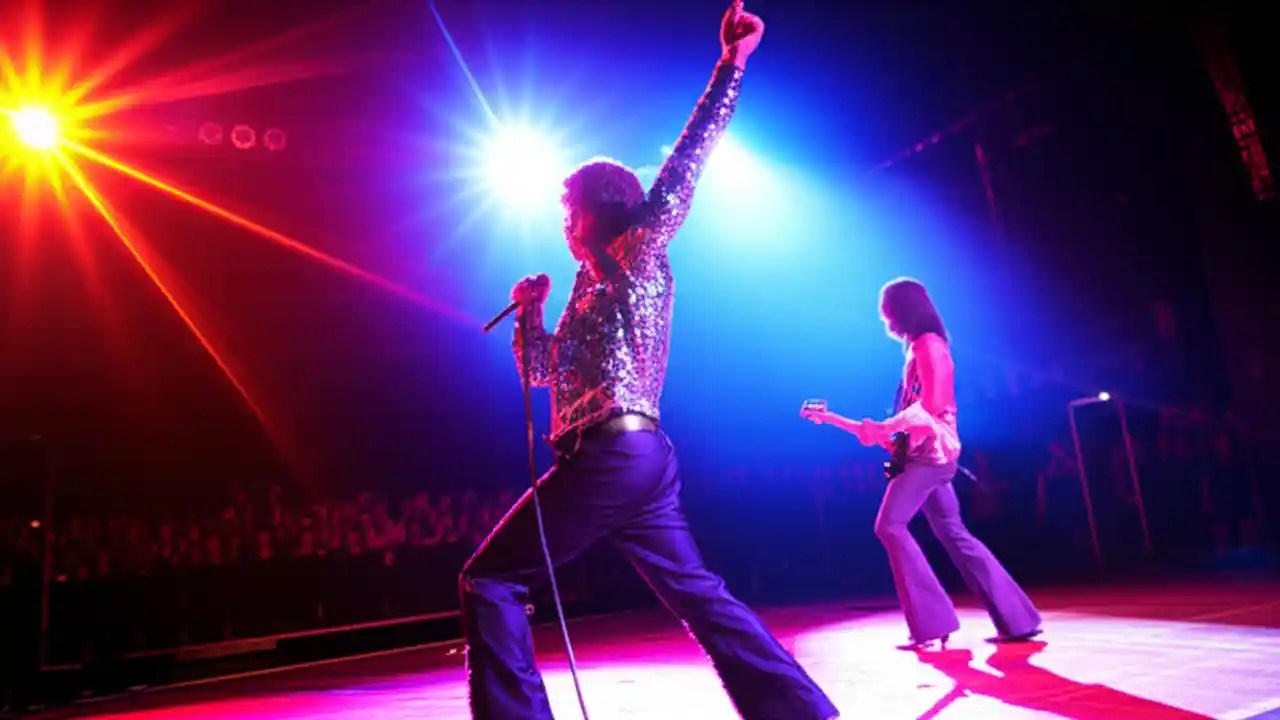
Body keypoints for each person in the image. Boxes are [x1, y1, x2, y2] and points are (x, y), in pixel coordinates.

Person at [459, 3, 839, 719]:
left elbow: (688, 161)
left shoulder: (638, 252)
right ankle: (799, 711)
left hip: (613, 455)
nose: (563, 223)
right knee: (700, 596)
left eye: (570, 208)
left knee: (490, 579)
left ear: (603, 207)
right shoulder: (585, 291)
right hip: (631, 462)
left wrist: (731, 65)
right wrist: (532, 312)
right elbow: (540, 373)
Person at [801, 277, 1041, 649]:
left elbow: (933, 406)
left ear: (901, 310)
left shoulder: (929, 346)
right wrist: (832, 419)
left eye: (886, 311)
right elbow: (893, 426)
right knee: (953, 532)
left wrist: (887, 427)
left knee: (889, 526)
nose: (884, 319)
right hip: (927, 456)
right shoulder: (919, 348)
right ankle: (1017, 620)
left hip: (929, 458)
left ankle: (931, 622)